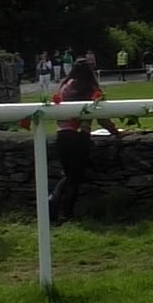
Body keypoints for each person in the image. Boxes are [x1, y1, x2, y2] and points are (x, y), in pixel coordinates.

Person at [47, 59, 122, 225]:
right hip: (80, 136)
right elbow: (102, 117)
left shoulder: (65, 87)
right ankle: (64, 212)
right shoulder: (92, 88)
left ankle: (53, 201)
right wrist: (115, 132)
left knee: (68, 174)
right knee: (74, 177)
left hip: (62, 134)